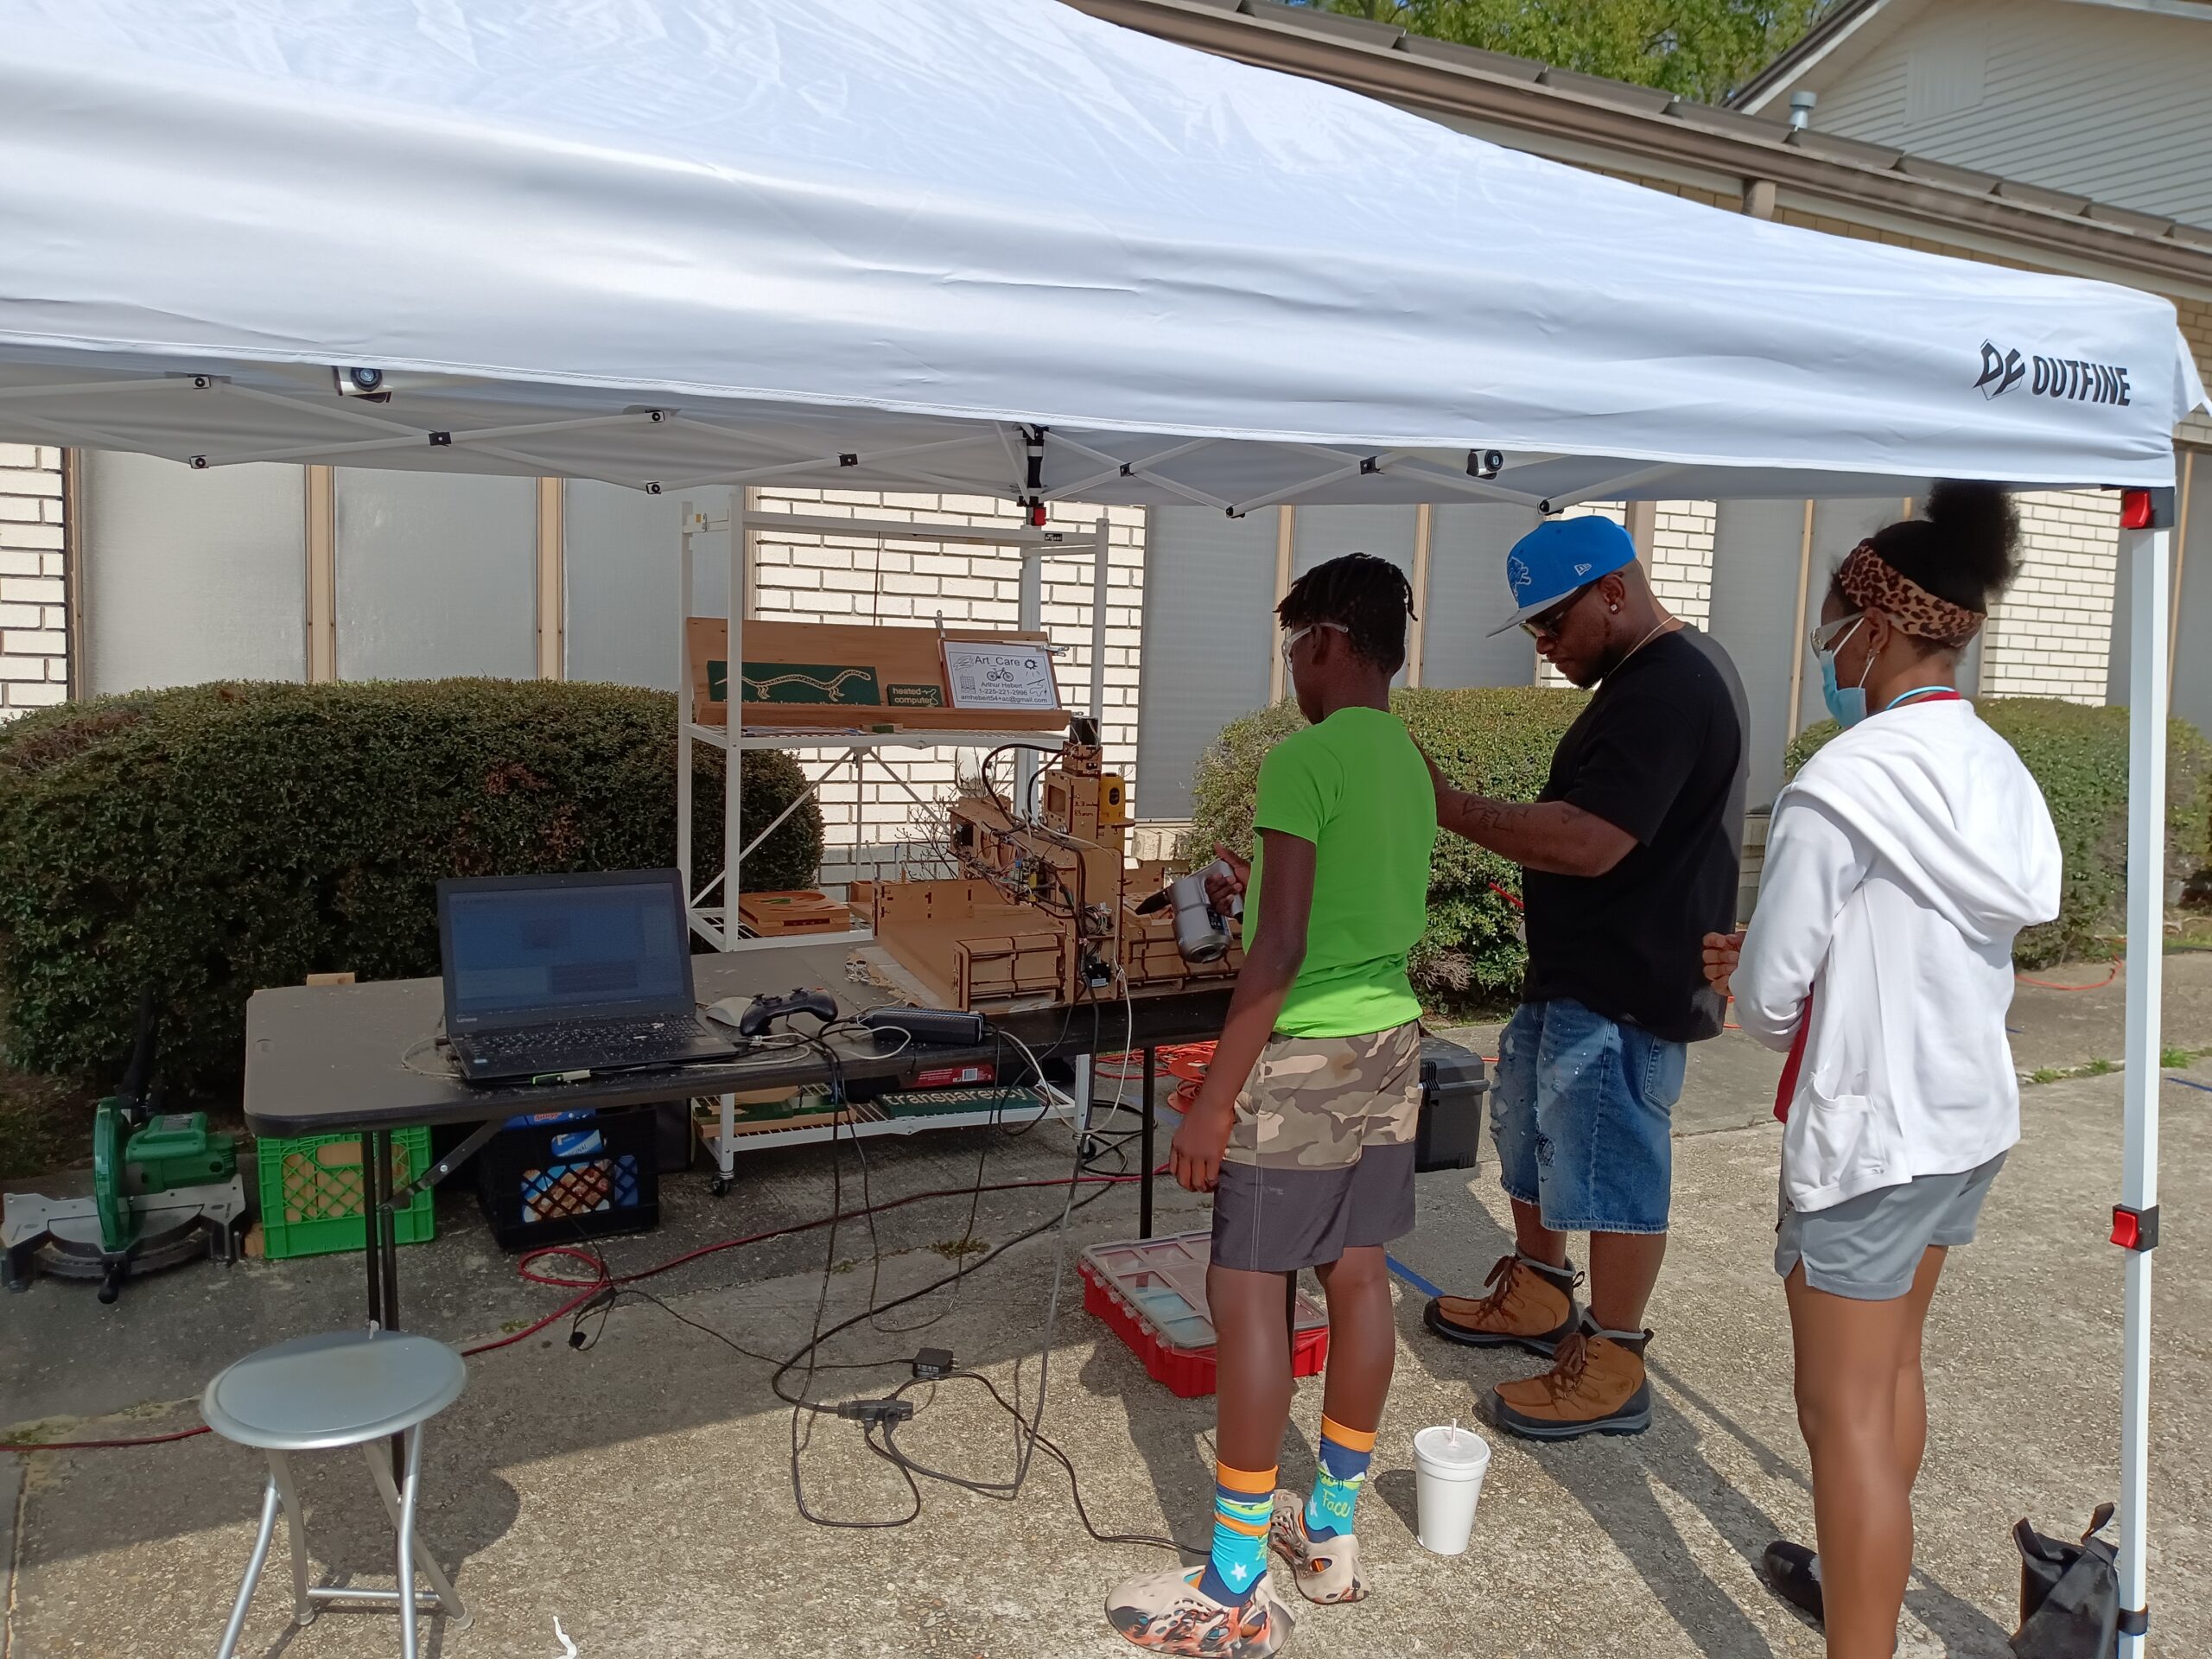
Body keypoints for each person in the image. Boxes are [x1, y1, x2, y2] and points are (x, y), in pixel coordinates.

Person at [1702, 482, 2058, 1658]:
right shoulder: (1998, 771)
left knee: (1838, 1413)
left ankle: (1862, 1634)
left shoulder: (1841, 784)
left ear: (1885, 626)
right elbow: (1900, 935)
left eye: (1833, 626)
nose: (1827, 651)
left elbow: (1767, 996)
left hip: (1868, 1135)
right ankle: (1869, 1583)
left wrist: (1743, 973)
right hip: (1964, 1122)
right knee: (1892, 1375)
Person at [1105, 552, 1437, 1657]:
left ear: (1333, 643)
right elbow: (1337, 906)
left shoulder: (1303, 759)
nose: (1293, 668)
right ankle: (1331, 1535)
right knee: (1358, 1272)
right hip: (1392, 1039)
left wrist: (1211, 1100)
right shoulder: (1407, 758)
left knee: (1246, 1289)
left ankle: (1236, 1579)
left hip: (1299, 1057)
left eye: (1298, 646)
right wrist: (1255, 907)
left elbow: (1283, 952)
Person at [1421, 513, 1746, 1439]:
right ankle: (1537, 1289)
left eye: (1555, 623)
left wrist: (1447, 806)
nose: (1546, 645)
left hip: (1627, 988)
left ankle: (1613, 1356)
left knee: (1612, 1168)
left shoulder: (1670, 686)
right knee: (1529, 1132)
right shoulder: (1652, 676)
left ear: (1615, 590)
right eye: (1533, 630)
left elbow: (1590, 840)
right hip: (1578, 975)